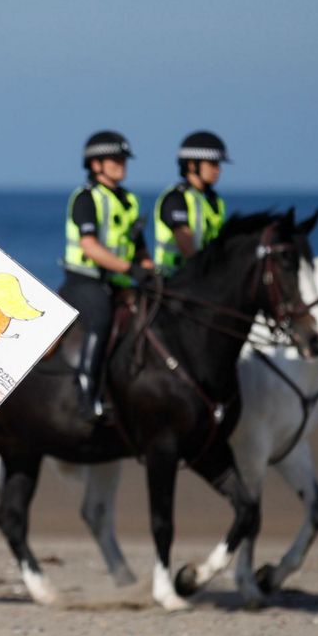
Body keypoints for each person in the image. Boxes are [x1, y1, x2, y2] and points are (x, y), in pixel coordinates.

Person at [61, 130, 153, 419]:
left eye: (123, 158)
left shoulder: (130, 201)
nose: (121, 164)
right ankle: (86, 392)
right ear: (96, 164)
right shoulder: (86, 198)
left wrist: (153, 274)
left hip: (119, 281)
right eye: (114, 159)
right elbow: (90, 247)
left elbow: (139, 248)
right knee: (100, 318)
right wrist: (130, 269)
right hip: (85, 281)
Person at [153, 130, 231, 276]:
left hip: (200, 277)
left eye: (218, 165)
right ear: (191, 165)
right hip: (173, 279)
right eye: (212, 164)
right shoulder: (176, 198)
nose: (218, 170)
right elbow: (187, 247)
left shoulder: (214, 201)